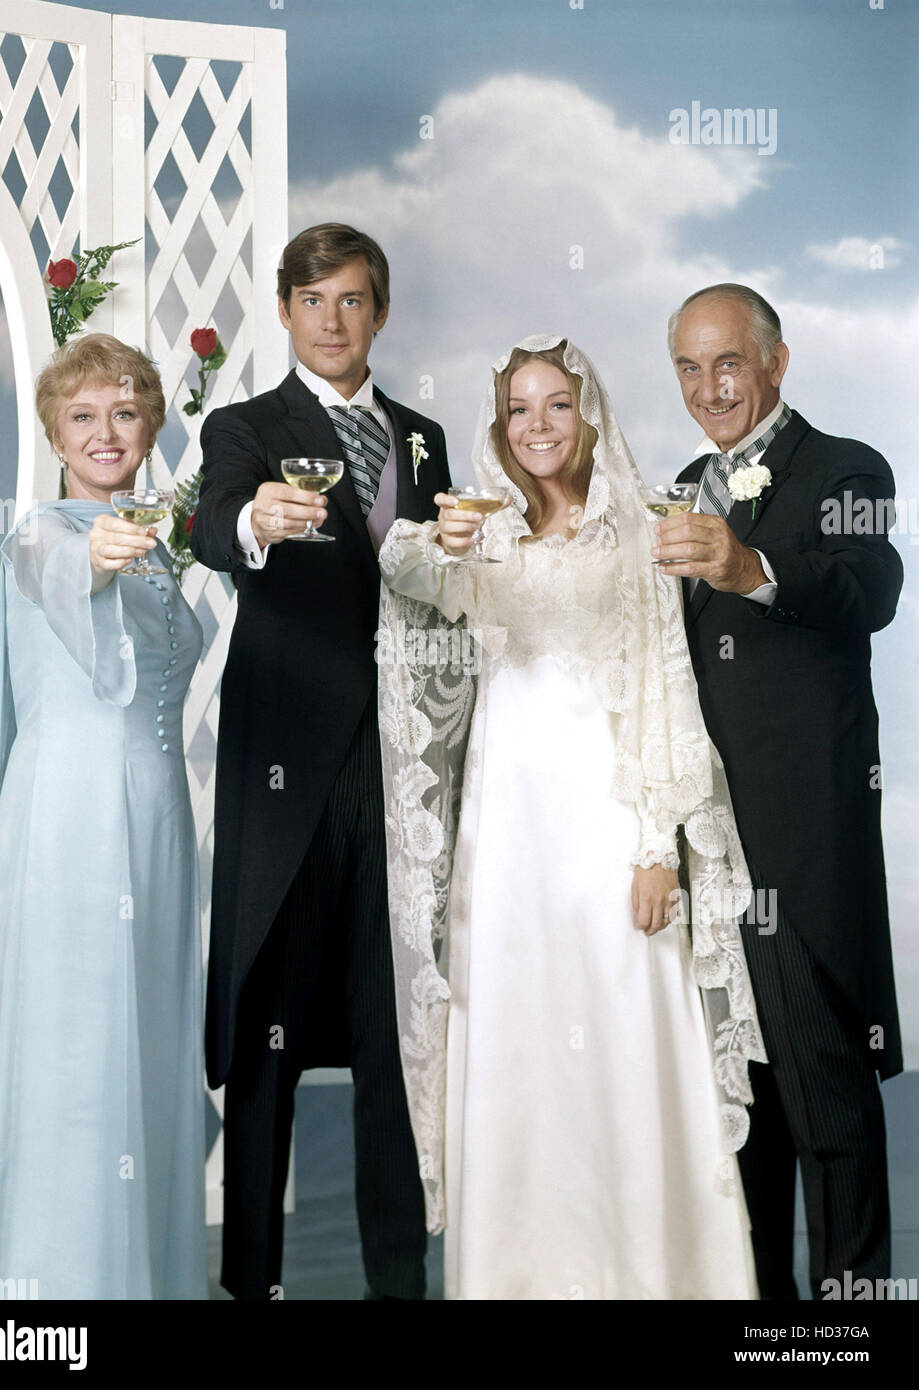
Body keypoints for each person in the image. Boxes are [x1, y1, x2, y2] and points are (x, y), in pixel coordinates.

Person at [376, 334, 766, 1300]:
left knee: (622, 1017)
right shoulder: (483, 531)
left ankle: (650, 1271)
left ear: (588, 415)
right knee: (515, 1035)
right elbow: (403, 573)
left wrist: (655, 848)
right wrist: (438, 541)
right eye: (518, 409)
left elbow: (664, 684)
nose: (537, 425)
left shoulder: (635, 529)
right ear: (497, 426)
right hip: (505, 835)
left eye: (557, 405)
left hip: (604, 819)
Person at [189, 224, 452, 1300]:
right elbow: (210, 523)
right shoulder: (246, 426)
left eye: (350, 300)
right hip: (287, 770)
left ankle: (399, 1284)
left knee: (394, 1028)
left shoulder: (423, 436)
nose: (332, 320)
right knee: (263, 1030)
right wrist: (253, 517)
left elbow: (436, 589)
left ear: (377, 312)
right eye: (312, 301)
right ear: (286, 313)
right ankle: (249, 1282)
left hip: (397, 770)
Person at [0, 333, 207, 1300]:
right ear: (54, 431)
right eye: (83, 416)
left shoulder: (157, 544)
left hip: (158, 826)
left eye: (125, 413)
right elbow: (70, 570)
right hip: (72, 831)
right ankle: (63, 1296)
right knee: (76, 1050)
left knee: (142, 1045)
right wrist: (96, 548)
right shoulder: (40, 535)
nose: (105, 431)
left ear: (150, 429)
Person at [656, 284, 903, 1300]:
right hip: (706, 843)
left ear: (775, 362)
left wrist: (748, 562)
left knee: (826, 1097)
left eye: (726, 363)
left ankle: (846, 1319)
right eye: (686, 368)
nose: (708, 388)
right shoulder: (677, 483)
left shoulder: (847, 465)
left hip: (801, 838)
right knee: (741, 1101)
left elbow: (869, 591)